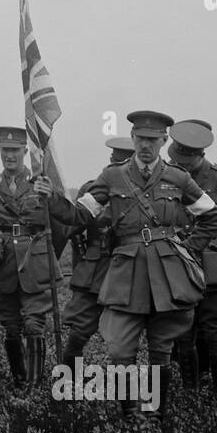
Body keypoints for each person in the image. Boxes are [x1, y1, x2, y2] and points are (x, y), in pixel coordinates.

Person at [71, 111, 217, 423]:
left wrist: (189, 251)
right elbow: (82, 213)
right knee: (119, 349)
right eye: (140, 139)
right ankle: (129, 416)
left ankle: (154, 416)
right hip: (126, 274)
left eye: (153, 140)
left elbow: (211, 215)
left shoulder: (178, 178)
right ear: (133, 138)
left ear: (164, 141)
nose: (145, 146)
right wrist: (55, 205)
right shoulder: (112, 176)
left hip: (168, 275)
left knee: (161, 347)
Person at [0, 126, 73, 389]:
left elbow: (62, 225)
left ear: (24, 151)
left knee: (34, 325)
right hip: (5, 266)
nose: (10, 156)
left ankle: (34, 385)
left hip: (36, 262)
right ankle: (19, 379)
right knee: (10, 327)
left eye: (15, 150)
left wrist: (45, 253)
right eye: (5, 150)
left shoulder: (41, 185)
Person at [167, 120, 217, 394]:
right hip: (177, 263)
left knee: (213, 332)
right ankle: (192, 389)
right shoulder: (169, 175)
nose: (182, 166)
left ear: (200, 154)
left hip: (213, 263)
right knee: (184, 332)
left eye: (187, 160)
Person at [60, 138, 133, 366]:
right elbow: (75, 230)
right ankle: (70, 387)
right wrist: (81, 265)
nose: (115, 166)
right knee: (78, 331)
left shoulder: (141, 195)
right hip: (94, 271)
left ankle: (125, 396)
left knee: (127, 337)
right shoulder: (92, 189)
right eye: (113, 161)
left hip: (130, 271)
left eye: (121, 162)